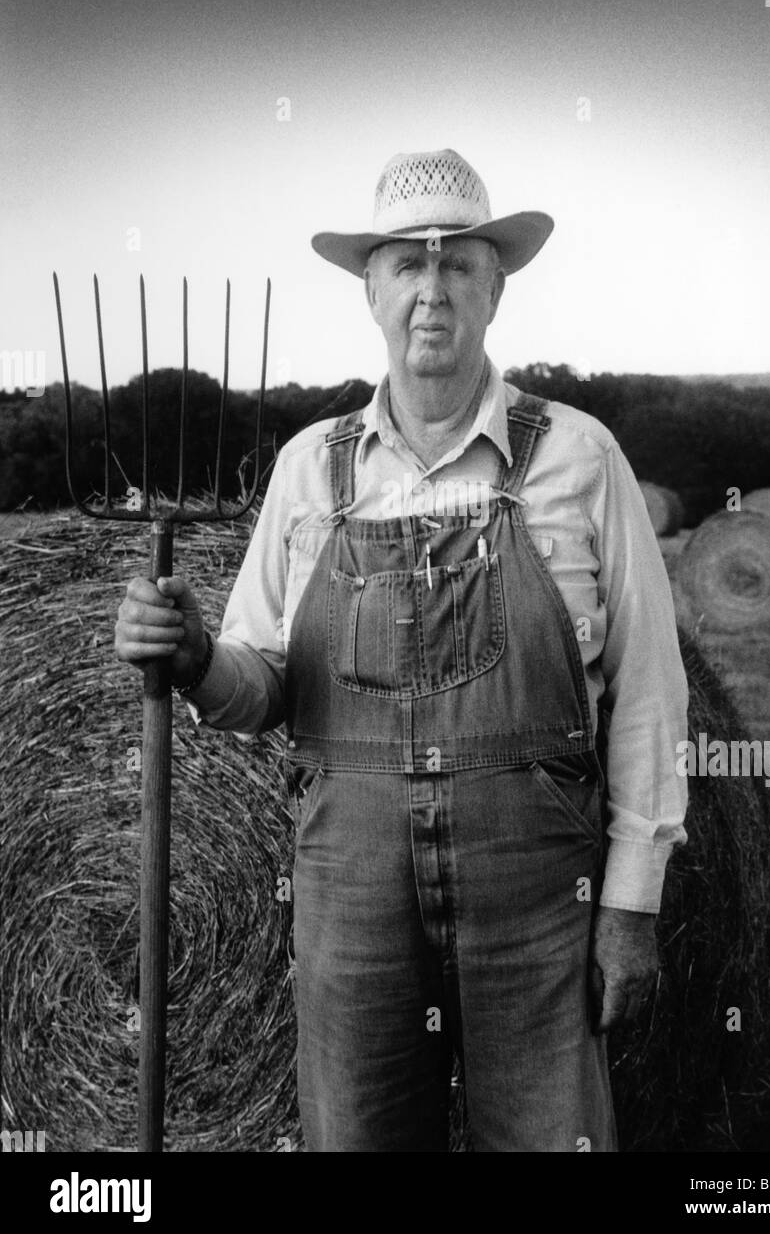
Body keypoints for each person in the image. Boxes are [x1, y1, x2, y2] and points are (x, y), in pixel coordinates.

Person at [115, 147, 689, 1153]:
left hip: (540, 894)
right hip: (351, 893)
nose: (433, 290)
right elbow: (261, 686)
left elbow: (647, 693)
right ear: (371, 290)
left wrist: (633, 901)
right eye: (407, 265)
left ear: (496, 287)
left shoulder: (580, 455)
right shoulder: (311, 468)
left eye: (458, 263)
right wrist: (198, 652)